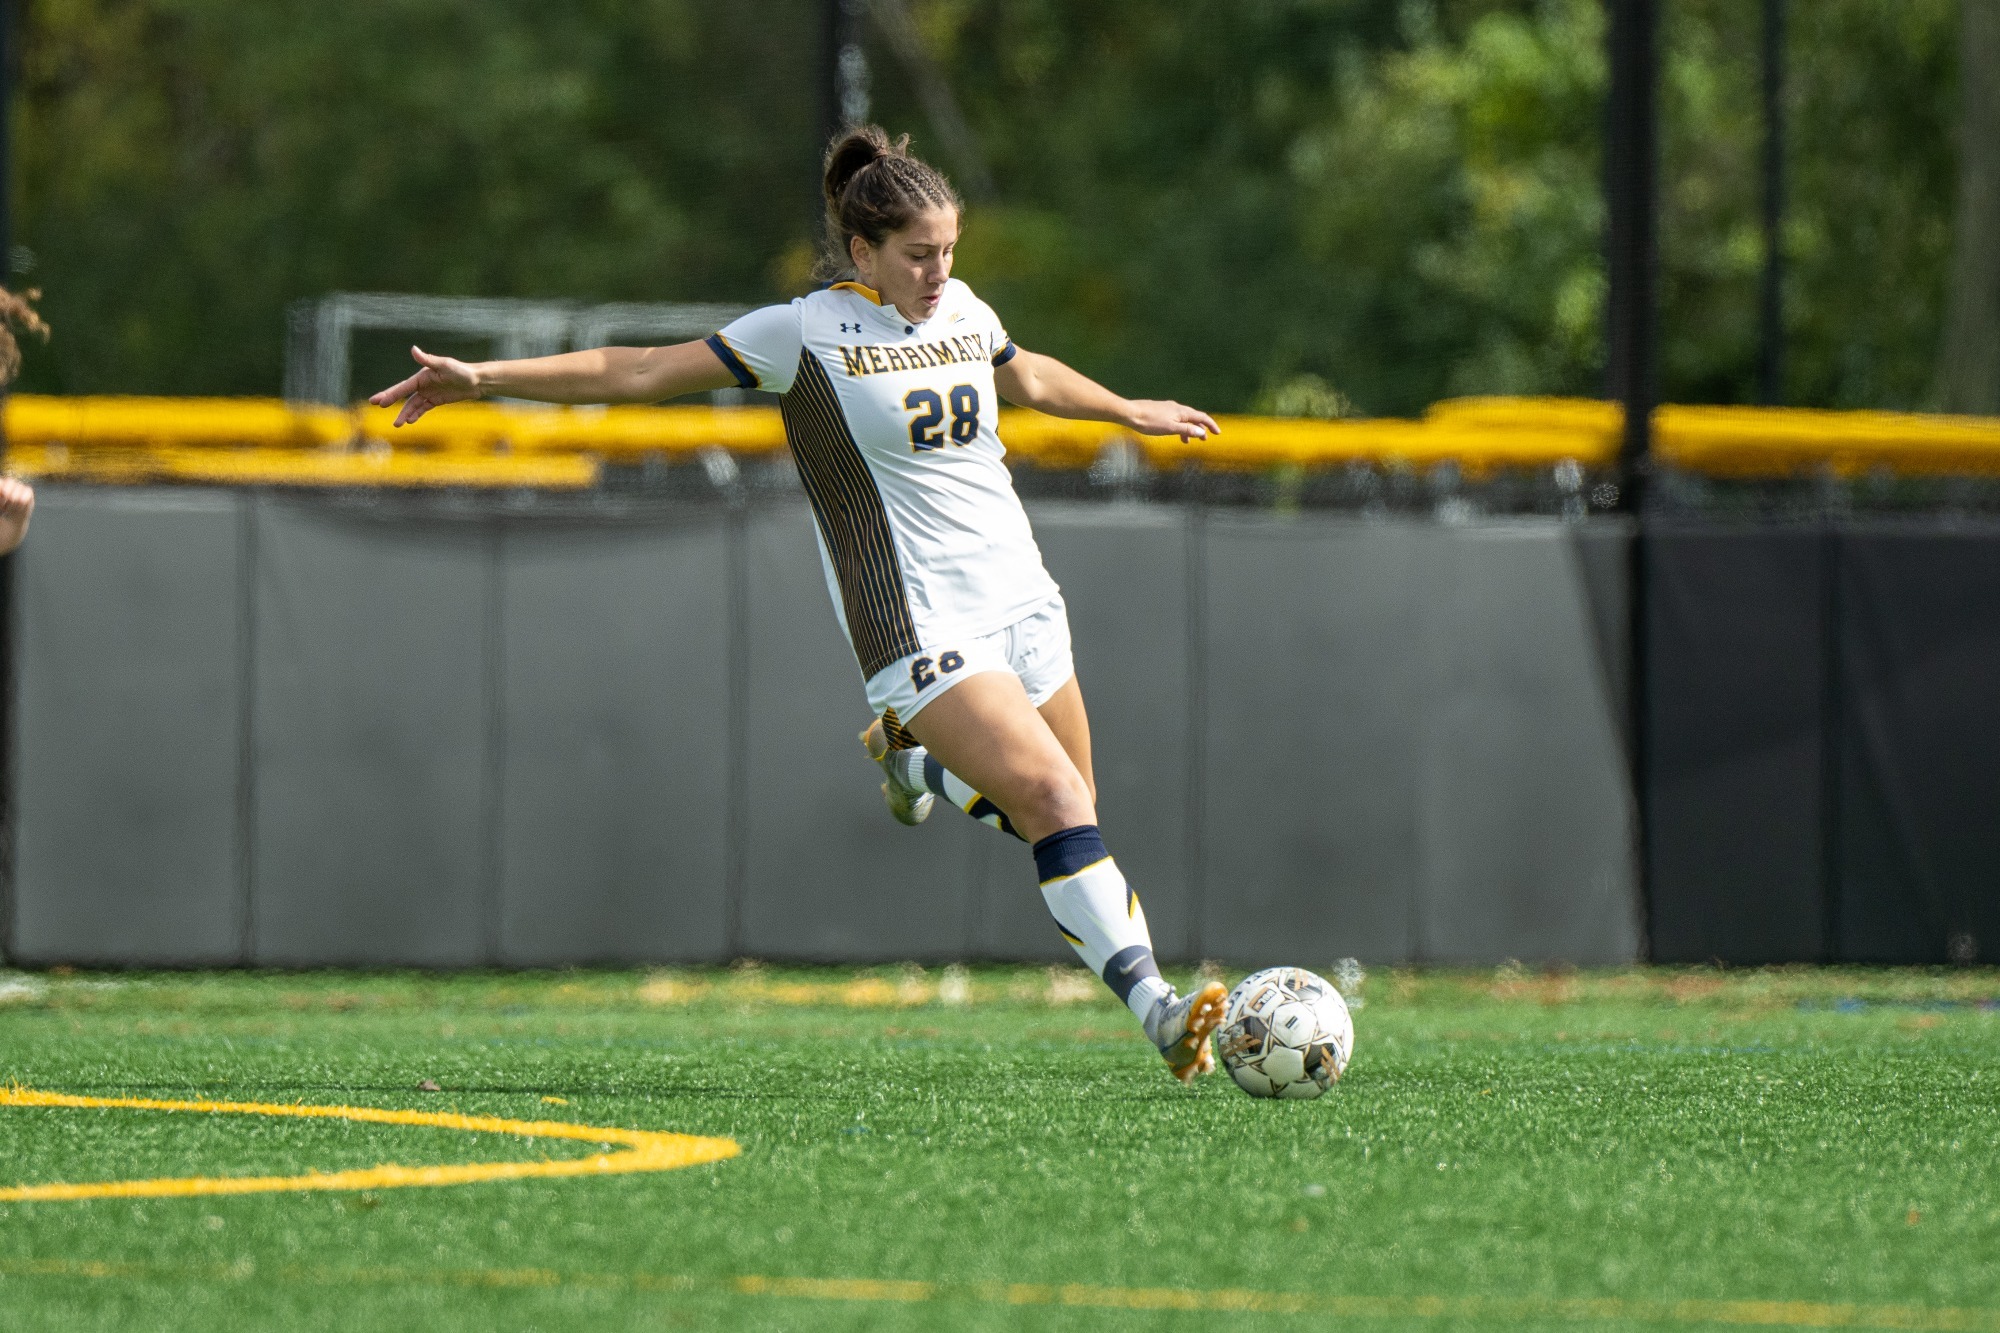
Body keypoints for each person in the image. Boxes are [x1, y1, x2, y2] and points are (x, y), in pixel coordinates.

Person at [370, 126, 1229, 1084]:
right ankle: (1157, 1009)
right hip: (920, 621)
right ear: (862, 252)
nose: (938, 269)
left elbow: (1022, 371)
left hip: (1024, 595)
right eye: (917, 254)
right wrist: (480, 378)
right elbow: (640, 371)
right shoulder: (803, 333)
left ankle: (917, 763)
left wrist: (1127, 408)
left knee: (1072, 811)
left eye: (949, 249)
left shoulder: (965, 308)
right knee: (1054, 801)